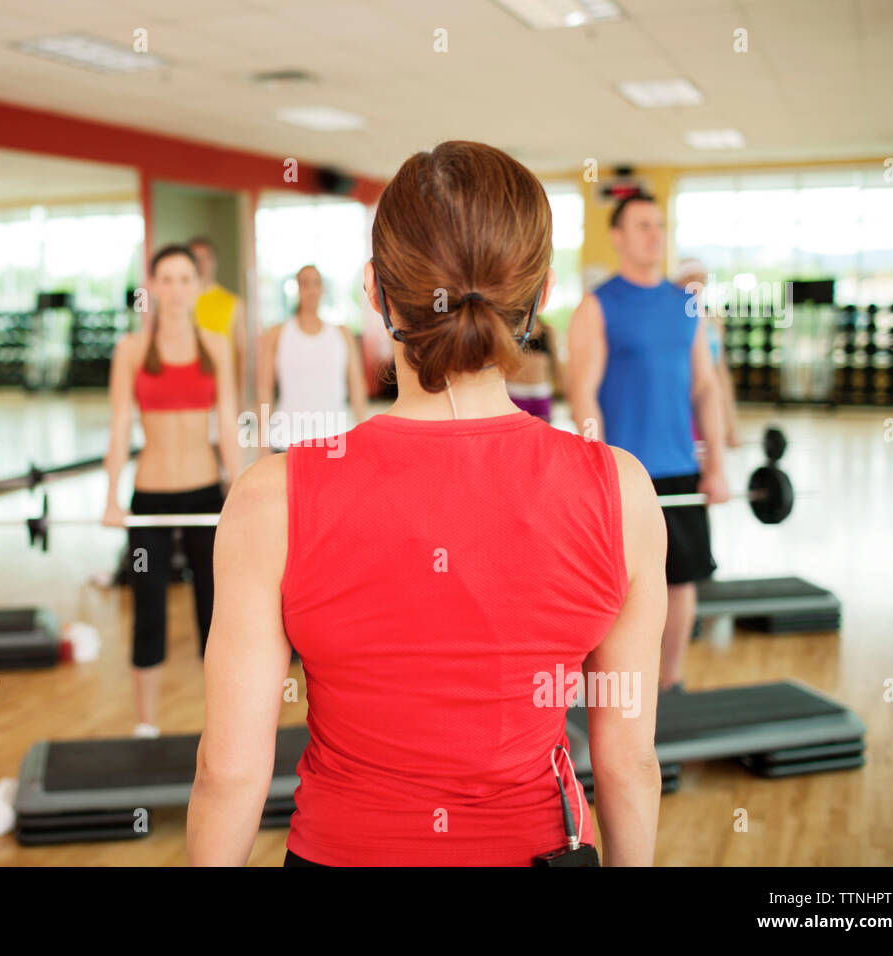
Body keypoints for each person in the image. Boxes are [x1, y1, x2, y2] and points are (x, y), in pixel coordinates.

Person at [187, 141, 667, 866]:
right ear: (538, 300)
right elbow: (628, 763)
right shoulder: (623, 490)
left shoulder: (270, 498)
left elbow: (228, 773)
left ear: (376, 293)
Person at [566, 196, 731, 694]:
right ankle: (616, 688)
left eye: (659, 225)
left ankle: (671, 681)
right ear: (617, 236)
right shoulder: (597, 306)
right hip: (623, 474)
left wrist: (717, 466)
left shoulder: (684, 306)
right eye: (642, 226)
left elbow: (705, 388)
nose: (654, 234)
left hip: (679, 468)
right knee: (617, 590)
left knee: (680, 583)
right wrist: (598, 463)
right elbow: (583, 392)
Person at [104, 245, 243, 739]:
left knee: (215, 611)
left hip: (206, 495)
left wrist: (241, 490)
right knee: (148, 610)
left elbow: (227, 426)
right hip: (151, 498)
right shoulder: (131, 351)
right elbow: (120, 425)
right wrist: (110, 498)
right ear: (154, 287)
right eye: (167, 279)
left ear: (197, 286)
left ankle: (221, 726)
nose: (177, 288)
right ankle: (146, 724)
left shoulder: (217, 345)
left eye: (186, 278)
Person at [255, 265, 367, 453]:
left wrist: (364, 437)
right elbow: (264, 390)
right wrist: (261, 445)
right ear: (297, 289)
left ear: (323, 289)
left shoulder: (342, 334)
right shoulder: (276, 334)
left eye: (316, 283)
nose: (311, 290)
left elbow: (357, 388)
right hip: (287, 441)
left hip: (335, 440)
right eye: (305, 284)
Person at [672, 258, 741, 449]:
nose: (696, 285)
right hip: (681, 408)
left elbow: (721, 374)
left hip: (708, 404)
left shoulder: (713, 321)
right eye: (690, 279)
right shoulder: (669, 321)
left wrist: (731, 423)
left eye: (701, 280)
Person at [188, 237, 247, 395]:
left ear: (214, 261)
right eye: (196, 258)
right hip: (187, 390)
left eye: (206, 257)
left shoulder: (233, 302)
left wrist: (238, 395)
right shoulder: (178, 303)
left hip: (221, 391)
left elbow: (241, 352)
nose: (201, 263)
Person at [505, 318, 565, 422]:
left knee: (542, 435)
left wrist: (566, 392)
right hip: (515, 394)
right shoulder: (509, 330)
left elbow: (557, 363)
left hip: (540, 395)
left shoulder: (548, 330)